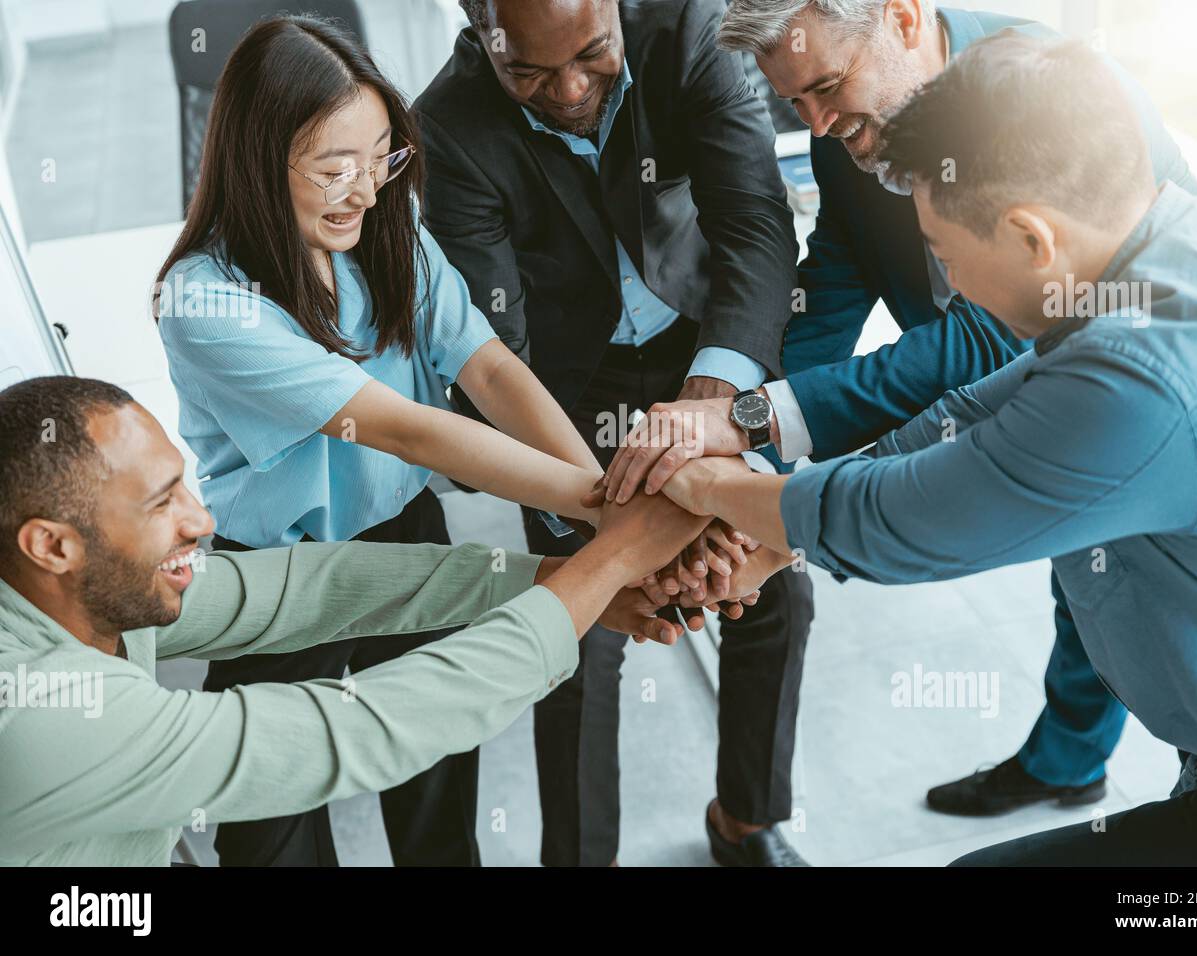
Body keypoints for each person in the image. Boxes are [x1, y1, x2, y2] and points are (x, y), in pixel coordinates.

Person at [626, 33, 1197, 865]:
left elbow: (896, 520)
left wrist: (704, 487)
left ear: (1030, 239)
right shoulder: (1189, 250)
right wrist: (766, 529)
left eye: (945, 257)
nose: (950, 289)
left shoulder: (1142, 382)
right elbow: (969, 415)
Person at [151, 14, 669, 867]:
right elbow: (405, 427)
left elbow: (490, 369)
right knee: (273, 825)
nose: (366, 188)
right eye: (333, 168)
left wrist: (607, 509)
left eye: (382, 156)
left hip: (406, 536)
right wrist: (611, 516)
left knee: (435, 784)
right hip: (281, 574)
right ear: (256, 162)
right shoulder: (205, 300)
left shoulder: (387, 230)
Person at [0, 376, 742, 866]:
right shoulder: (41, 714)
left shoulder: (81, 590)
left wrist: (549, 578)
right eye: (162, 503)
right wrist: (610, 560)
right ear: (52, 546)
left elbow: (312, 588)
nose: (200, 520)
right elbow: (356, 729)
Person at [412, 0, 815, 867]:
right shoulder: (449, 126)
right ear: (481, 30)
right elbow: (495, 357)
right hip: (559, 395)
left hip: (706, 349)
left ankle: (747, 819)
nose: (566, 89)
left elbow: (752, 223)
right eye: (528, 72)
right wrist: (615, 526)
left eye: (594, 55)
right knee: (581, 629)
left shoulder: (691, 34)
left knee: (770, 584)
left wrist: (709, 424)